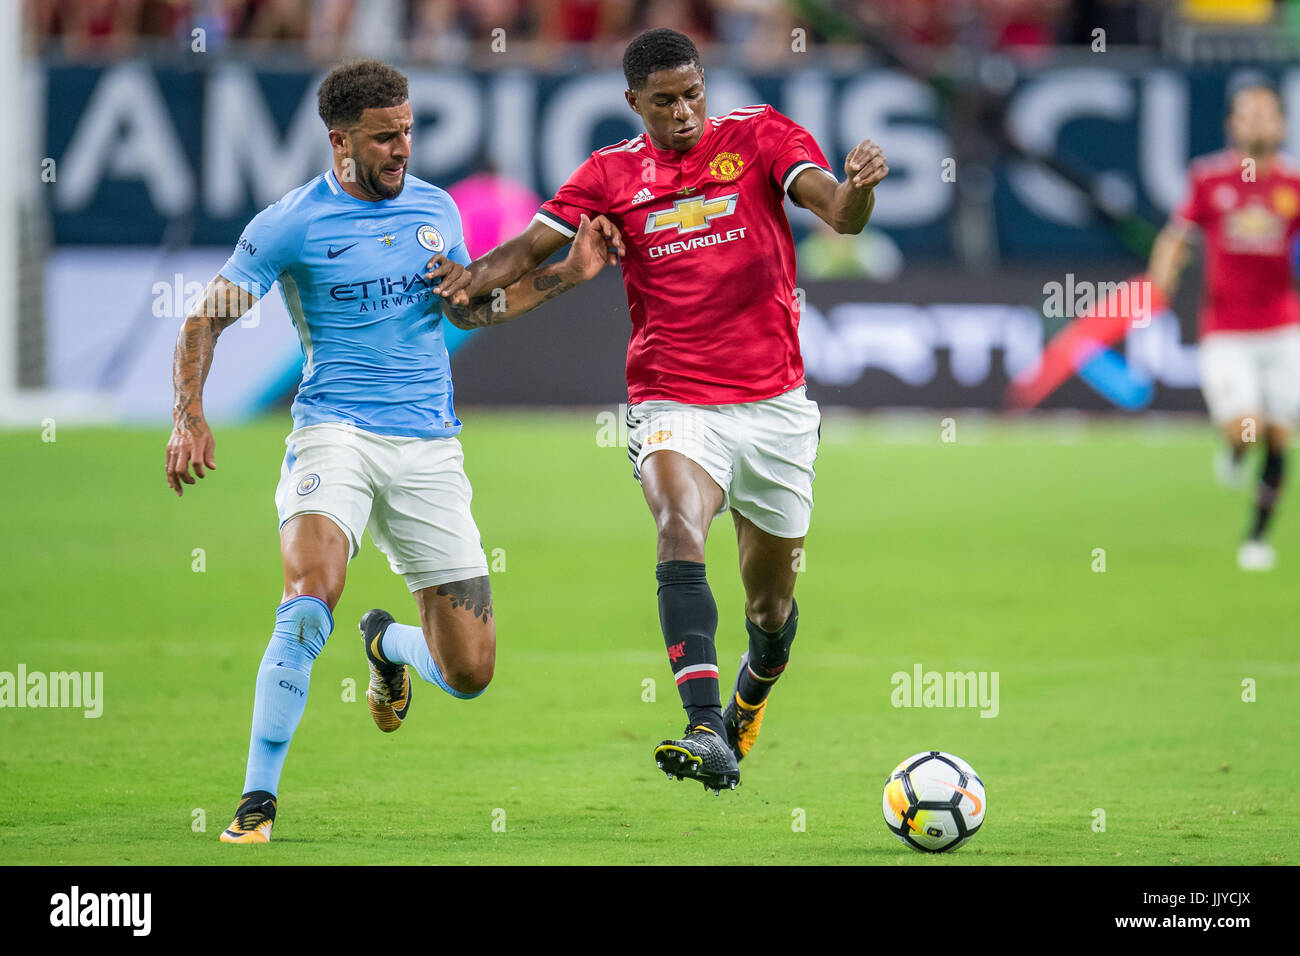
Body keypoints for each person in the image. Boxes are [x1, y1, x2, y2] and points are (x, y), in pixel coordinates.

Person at [164, 58, 614, 842]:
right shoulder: (291, 224)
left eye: (407, 131)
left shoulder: (436, 210)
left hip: (430, 449)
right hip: (333, 433)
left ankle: (386, 644)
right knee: (309, 598)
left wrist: (572, 272)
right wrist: (187, 414)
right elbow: (204, 319)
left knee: (470, 672)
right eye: (383, 137)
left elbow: (470, 315)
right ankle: (256, 802)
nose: (402, 148)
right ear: (340, 141)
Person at [444, 28, 888, 793]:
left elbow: (841, 216)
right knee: (677, 522)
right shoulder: (611, 174)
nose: (682, 112)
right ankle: (706, 727)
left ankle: (754, 687)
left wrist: (862, 187)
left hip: (774, 405)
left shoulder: (760, 137)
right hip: (672, 395)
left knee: (772, 607)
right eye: (664, 101)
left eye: (692, 94)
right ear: (632, 103)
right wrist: (469, 279)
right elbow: (524, 253)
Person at [1150, 83, 1300, 572]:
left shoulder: (1294, 183)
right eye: (1247, 114)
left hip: (1283, 325)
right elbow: (1176, 236)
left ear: (1281, 123)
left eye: (1266, 114)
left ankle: (1256, 537)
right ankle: (1235, 452)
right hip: (1227, 328)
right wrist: (1161, 281)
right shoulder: (1209, 179)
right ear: (1231, 125)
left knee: (1280, 433)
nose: (1257, 122)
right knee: (1246, 429)